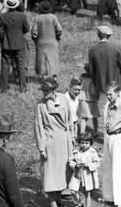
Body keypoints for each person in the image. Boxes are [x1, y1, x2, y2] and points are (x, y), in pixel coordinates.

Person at [34, 75, 73, 207]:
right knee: (50, 175)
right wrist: (41, 148)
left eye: (46, 90)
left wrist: (71, 139)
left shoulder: (63, 99)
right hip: (50, 145)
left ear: (53, 90)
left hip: (64, 142)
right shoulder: (41, 106)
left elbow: (70, 121)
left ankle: (58, 199)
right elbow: (38, 128)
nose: (44, 93)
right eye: (43, 90)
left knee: (63, 173)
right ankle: (52, 203)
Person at [87, 25, 121, 102]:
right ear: (109, 36)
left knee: (104, 110)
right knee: (118, 108)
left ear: (98, 35)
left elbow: (91, 71)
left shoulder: (92, 50)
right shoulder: (116, 48)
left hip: (101, 86)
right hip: (115, 86)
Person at [0, 0, 30, 93]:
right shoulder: (22, 16)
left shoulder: (3, 16)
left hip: (7, 44)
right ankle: (23, 87)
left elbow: (0, 31)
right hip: (20, 43)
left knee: (5, 65)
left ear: (7, 6)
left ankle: (4, 87)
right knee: (20, 65)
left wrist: (3, 39)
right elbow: (27, 28)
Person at [68, 129, 101, 207]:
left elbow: (97, 163)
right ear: (79, 143)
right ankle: (79, 202)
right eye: (82, 143)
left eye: (87, 143)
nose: (84, 145)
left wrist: (88, 165)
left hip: (87, 175)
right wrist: (75, 165)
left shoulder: (92, 152)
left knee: (87, 194)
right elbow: (70, 160)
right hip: (77, 174)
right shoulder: (76, 151)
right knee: (73, 191)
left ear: (90, 143)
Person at [32, 0, 63, 76]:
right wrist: (58, 37)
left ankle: (44, 77)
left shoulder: (37, 18)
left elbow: (34, 32)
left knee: (41, 62)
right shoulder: (53, 17)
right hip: (53, 42)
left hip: (41, 43)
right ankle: (53, 77)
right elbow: (59, 29)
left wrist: (35, 39)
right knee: (53, 60)